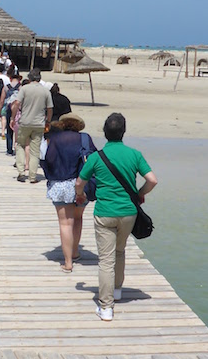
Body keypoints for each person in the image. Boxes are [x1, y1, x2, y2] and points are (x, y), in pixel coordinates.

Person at [75, 112, 157, 322]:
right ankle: (118, 290)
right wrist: (140, 193)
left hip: (104, 213)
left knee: (105, 260)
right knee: (119, 251)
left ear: (105, 132)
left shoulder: (96, 156)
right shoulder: (134, 154)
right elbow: (152, 180)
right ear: (123, 132)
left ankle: (106, 307)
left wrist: (80, 196)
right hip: (128, 212)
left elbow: (79, 183)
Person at [41, 113, 97, 272]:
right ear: (79, 125)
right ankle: (75, 252)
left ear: (62, 124)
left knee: (65, 223)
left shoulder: (56, 139)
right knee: (78, 218)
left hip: (60, 186)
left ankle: (68, 263)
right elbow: (94, 161)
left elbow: (48, 160)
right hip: (81, 184)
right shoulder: (85, 138)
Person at [11, 68, 53, 183]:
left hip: (25, 122)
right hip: (39, 123)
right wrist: (48, 121)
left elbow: (16, 104)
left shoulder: (24, 89)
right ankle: (32, 176)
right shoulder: (45, 91)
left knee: (20, 145)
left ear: (29, 78)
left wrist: (12, 118)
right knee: (35, 150)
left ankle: (21, 171)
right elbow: (50, 109)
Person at [0, 68, 21, 155]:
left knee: (9, 129)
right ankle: (17, 147)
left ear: (10, 78)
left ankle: (9, 148)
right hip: (18, 109)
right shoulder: (21, 87)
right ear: (19, 78)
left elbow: (1, 100)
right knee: (17, 129)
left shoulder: (6, 87)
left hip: (8, 108)